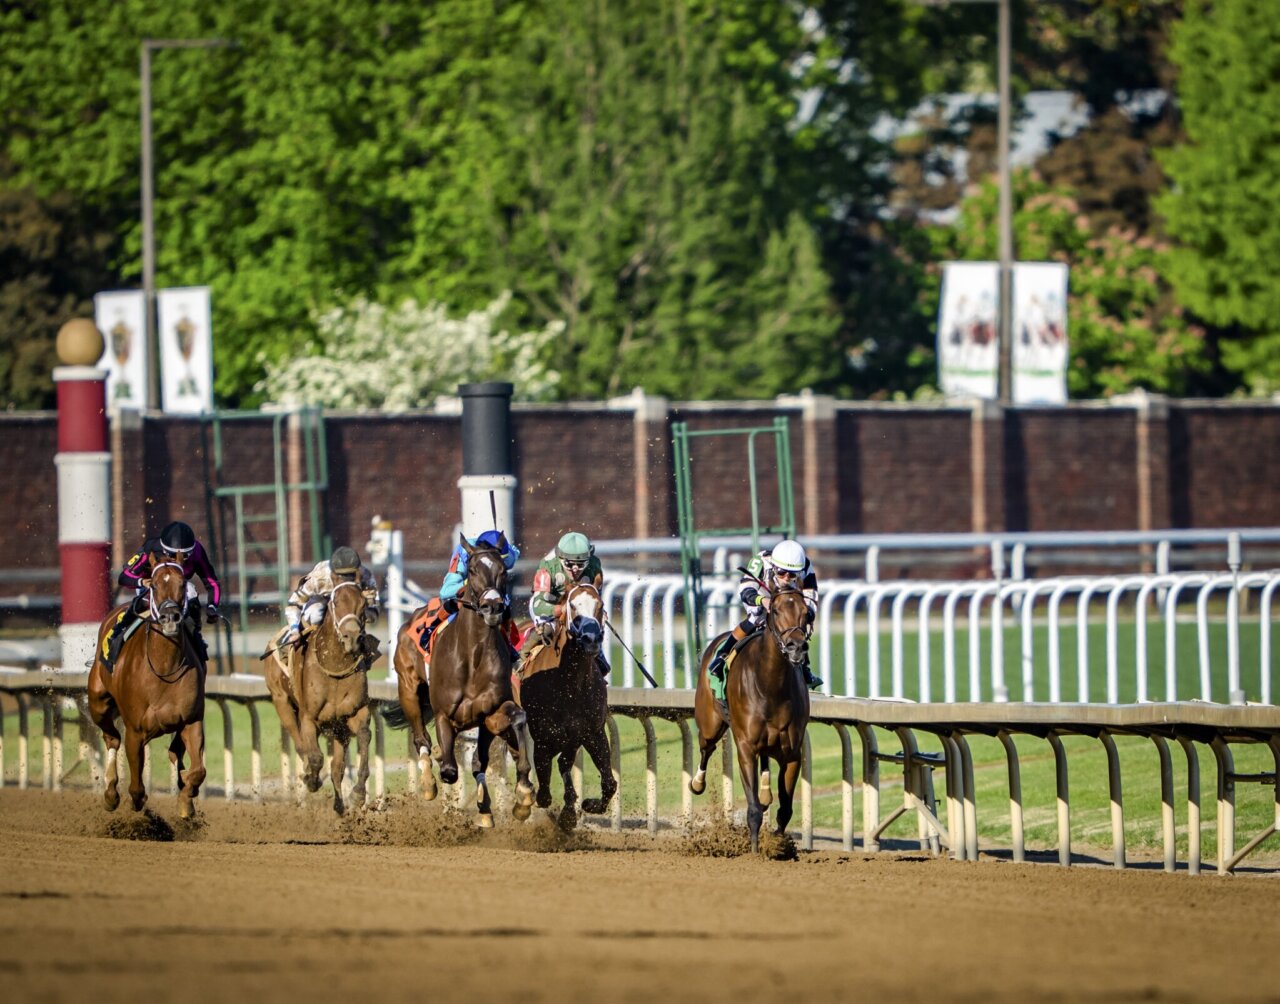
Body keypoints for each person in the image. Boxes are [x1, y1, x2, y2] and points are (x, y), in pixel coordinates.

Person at [705, 538, 822, 697]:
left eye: (792, 575)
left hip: (790, 599)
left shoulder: (806, 566)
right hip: (762, 595)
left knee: (794, 625)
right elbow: (746, 591)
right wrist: (762, 601)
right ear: (774, 567)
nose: (786, 578)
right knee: (757, 618)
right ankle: (722, 655)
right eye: (781, 573)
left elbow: (811, 598)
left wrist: (804, 613)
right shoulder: (760, 562)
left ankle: (805, 668)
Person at [104, 520, 221, 670]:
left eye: (185, 556)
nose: (179, 559)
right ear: (164, 550)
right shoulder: (151, 548)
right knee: (141, 604)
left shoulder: (198, 551)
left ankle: (197, 641)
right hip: (152, 585)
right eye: (173, 555)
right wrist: (142, 582)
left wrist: (212, 606)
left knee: (192, 595)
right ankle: (115, 638)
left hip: (178, 588)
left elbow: (211, 582)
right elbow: (124, 576)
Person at [416, 529, 521, 658]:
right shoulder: (465, 551)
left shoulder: (509, 552)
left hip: (492, 590)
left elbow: (515, 555)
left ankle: (508, 644)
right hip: (469, 591)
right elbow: (446, 591)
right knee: (452, 603)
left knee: (504, 604)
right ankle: (432, 628)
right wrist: (472, 584)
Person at [527, 531, 609, 678]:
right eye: (569, 564)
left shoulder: (595, 565)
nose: (575, 569)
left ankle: (598, 656)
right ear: (560, 558)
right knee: (547, 631)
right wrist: (561, 609)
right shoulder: (547, 566)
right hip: (549, 604)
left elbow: (596, 598)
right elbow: (538, 605)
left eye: (580, 564)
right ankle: (522, 658)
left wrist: (599, 613)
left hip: (577, 608)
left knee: (593, 631)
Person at [283, 545, 380, 647]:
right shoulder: (319, 578)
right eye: (341, 576)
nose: (346, 580)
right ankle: (293, 643)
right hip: (321, 598)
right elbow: (294, 603)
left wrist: (359, 611)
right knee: (315, 614)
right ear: (333, 575)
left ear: (358, 571)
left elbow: (373, 614)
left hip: (349, 601)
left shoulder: (366, 576)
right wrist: (294, 630)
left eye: (351, 575)